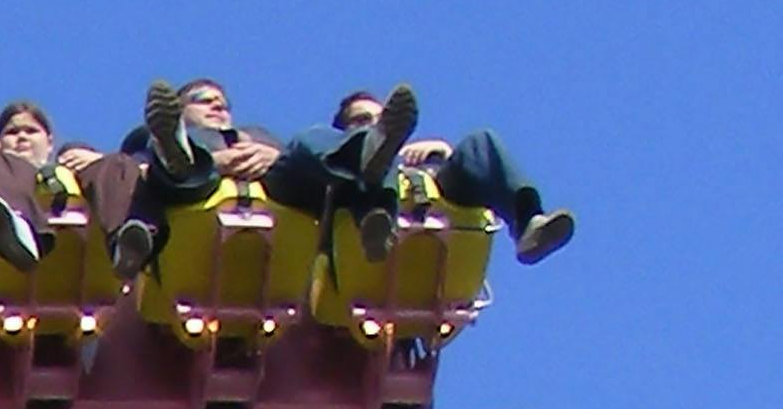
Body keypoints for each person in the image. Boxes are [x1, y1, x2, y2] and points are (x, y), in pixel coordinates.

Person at [269, 88, 574, 267]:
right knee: (314, 143)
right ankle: (376, 219)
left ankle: (528, 223)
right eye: (363, 121)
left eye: (381, 121)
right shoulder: (322, 146)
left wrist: (443, 154)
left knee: (480, 144)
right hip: (342, 222)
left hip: (422, 230)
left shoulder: (414, 162)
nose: (375, 125)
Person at [0, 100, 139, 267]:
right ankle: (15, 233)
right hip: (10, 259)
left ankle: (126, 244)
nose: (22, 137)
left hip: (92, 254)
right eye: (12, 132)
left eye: (31, 131)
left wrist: (97, 160)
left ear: (49, 143)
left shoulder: (73, 170)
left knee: (118, 163)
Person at [109, 78, 276, 272]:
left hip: (274, 190)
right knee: (168, 171)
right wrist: (214, 163)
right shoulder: (149, 142)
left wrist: (275, 158)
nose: (218, 105)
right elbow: (135, 171)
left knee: (305, 147)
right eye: (203, 100)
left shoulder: (258, 136)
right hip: (191, 195)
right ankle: (181, 159)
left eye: (224, 104)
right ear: (180, 113)